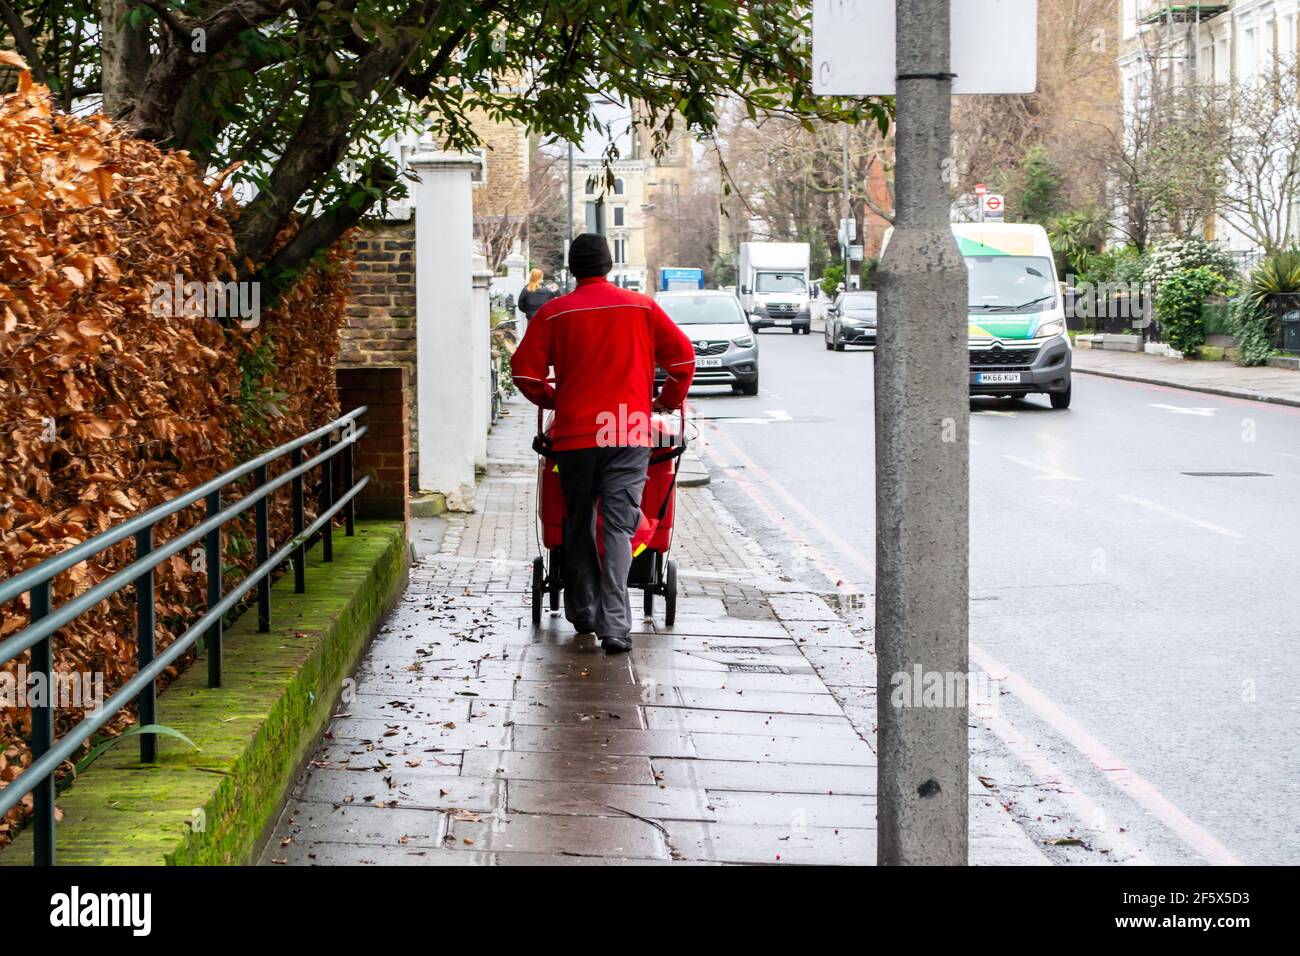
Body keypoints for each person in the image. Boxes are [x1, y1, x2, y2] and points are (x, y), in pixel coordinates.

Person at [512, 234, 695, 653]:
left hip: (575, 435)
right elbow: (683, 359)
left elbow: (523, 372)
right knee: (618, 526)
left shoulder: (554, 313)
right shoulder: (642, 307)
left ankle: (582, 612)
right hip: (628, 431)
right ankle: (616, 627)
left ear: (572, 269)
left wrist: (553, 398)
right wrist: (664, 401)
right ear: (609, 265)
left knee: (577, 523)